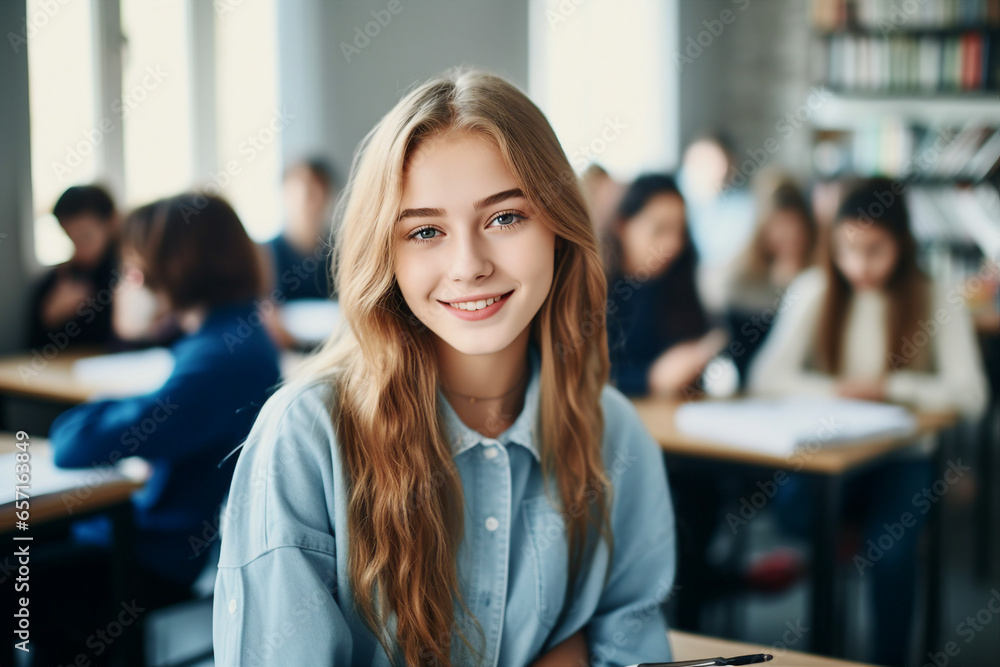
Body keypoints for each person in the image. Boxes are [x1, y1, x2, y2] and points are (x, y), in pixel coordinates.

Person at [213, 69, 678, 667]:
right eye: (426, 231)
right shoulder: (305, 438)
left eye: (505, 217)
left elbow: (631, 651)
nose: (467, 265)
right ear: (387, 253)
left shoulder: (614, 432)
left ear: (559, 229)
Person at [749, 178, 988, 666]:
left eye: (875, 250)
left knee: (891, 555)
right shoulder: (815, 288)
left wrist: (889, 388)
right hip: (834, 453)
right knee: (793, 514)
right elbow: (765, 376)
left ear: (902, 243)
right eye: (846, 250)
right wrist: (837, 391)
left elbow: (972, 396)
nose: (858, 266)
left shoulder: (937, 294)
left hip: (902, 458)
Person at [34, 194, 281, 666]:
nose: (129, 281)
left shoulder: (216, 361)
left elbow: (73, 443)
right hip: (145, 542)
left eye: (134, 268)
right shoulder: (228, 336)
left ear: (169, 270)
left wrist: (129, 335)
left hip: (146, 561)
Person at [602, 173, 726, 398]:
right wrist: (650, 378)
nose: (673, 244)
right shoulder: (593, 288)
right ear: (622, 226)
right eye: (659, 230)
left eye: (680, 231)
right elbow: (585, 379)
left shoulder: (678, 280)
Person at [723, 175, 819, 387]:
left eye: (792, 224)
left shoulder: (818, 281)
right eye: (776, 225)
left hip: (808, 390)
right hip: (755, 391)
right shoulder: (742, 282)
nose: (786, 235)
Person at [28, 184, 120, 349]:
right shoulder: (59, 281)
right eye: (71, 238)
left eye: (86, 237)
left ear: (112, 223)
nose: (79, 249)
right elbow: (34, 350)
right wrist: (52, 316)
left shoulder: (131, 273)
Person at [678, 134, 756, 313]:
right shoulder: (672, 200)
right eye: (700, 162)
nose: (708, 171)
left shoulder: (744, 207)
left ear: (731, 164)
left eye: (714, 163)